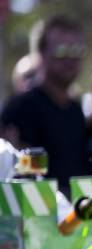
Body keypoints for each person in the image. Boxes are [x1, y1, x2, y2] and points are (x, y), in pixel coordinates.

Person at [0, 15, 87, 192]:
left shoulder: (75, 111)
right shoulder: (21, 109)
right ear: (40, 54)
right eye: (61, 50)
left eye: (77, 50)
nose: (70, 58)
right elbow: (14, 171)